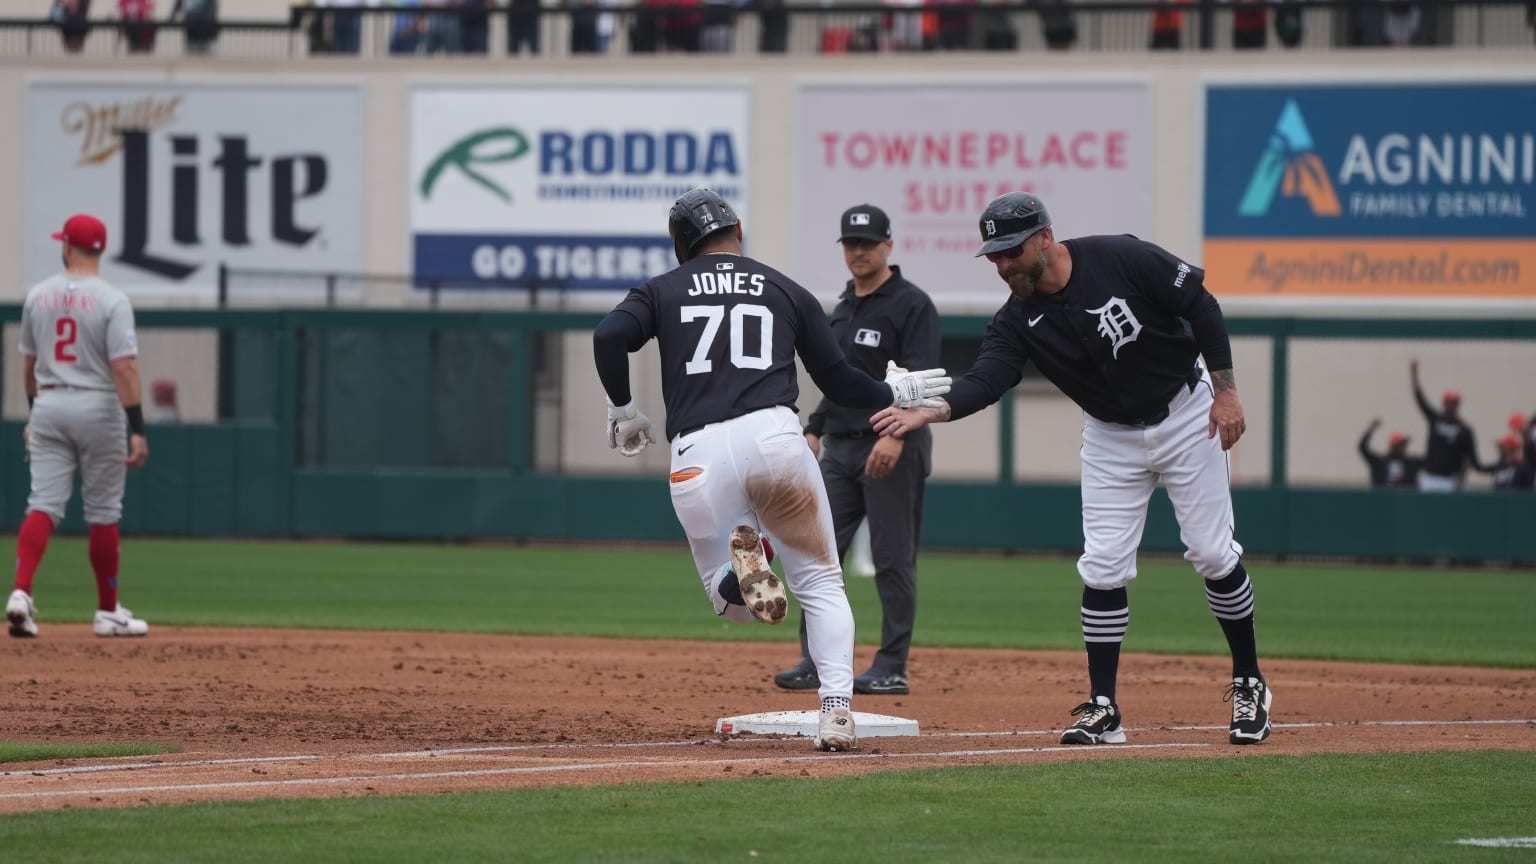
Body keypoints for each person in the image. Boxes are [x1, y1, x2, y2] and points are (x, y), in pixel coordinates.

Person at [872, 192, 1274, 746]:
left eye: (1011, 250)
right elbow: (988, 379)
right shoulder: (1017, 319)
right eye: (993, 255)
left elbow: (1199, 304)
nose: (1002, 263)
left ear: (1044, 237)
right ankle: (1104, 707)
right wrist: (934, 411)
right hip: (1111, 435)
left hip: (1187, 414)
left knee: (1210, 552)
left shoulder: (1120, 258)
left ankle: (1250, 681)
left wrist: (1226, 393)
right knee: (1104, 565)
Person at [591, 188, 950, 752]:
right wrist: (893, 389)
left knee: (731, 607)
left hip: (698, 453)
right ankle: (835, 712)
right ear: (737, 229)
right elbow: (838, 381)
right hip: (777, 439)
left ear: (680, 242)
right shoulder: (784, 287)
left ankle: (747, 565)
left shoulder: (661, 289)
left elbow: (609, 336)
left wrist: (623, 411)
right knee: (824, 585)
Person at [774, 203, 941, 697]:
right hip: (840, 451)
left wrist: (895, 435)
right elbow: (838, 381)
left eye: (868, 243)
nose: (859, 252)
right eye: (851, 243)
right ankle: (816, 660)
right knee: (818, 556)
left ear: (889, 244)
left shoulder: (912, 304)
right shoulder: (844, 306)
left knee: (892, 560)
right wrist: (815, 427)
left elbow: (922, 380)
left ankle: (892, 664)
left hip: (890, 448)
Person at [7, 214, 151, 640]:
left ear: (68, 247)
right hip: (97, 406)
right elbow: (123, 370)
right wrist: (138, 428)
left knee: (43, 505)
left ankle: (20, 592)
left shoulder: (38, 295)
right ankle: (108, 612)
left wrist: (35, 412)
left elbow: (29, 366)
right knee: (103, 511)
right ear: (100, 250)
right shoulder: (112, 300)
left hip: (50, 401)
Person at [1409, 360, 1485, 491]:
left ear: (1458, 405)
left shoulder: (1464, 430)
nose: (1451, 406)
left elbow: (1472, 459)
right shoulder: (1436, 419)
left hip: (1451, 480)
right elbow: (1420, 399)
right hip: (1431, 478)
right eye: (1449, 402)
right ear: (1444, 403)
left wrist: (1465, 472)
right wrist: (1414, 373)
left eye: (1454, 403)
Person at [1358, 418, 1422, 488]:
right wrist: (1371, 429)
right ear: (1392, 446)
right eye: (1399, 445)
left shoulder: (1411, 462)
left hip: (1405, 498)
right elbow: (1363, 447)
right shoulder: (1380, 462)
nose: (1402, 448)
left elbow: (1430, 462)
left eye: (1403, 445)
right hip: (1383, 498)